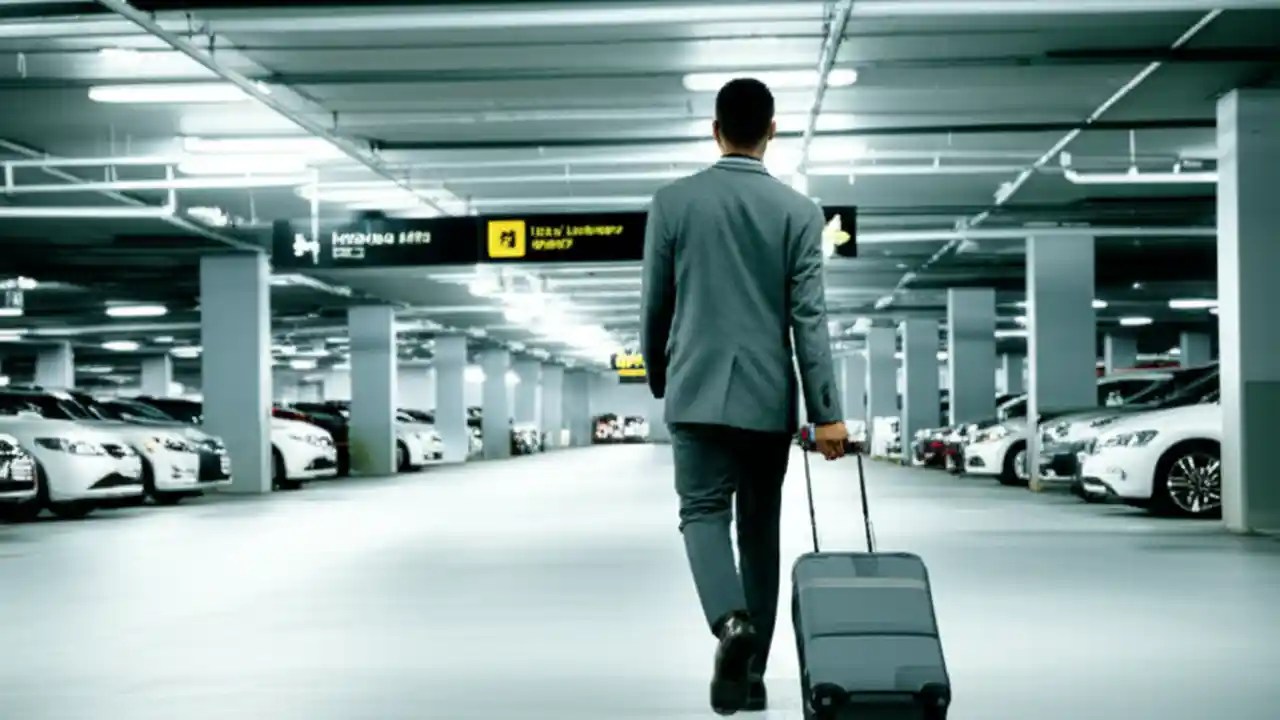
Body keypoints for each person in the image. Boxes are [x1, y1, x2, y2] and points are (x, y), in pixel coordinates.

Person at [640, 78, 849, 716]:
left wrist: (660, 373)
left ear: (715, 128)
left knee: (703, 513)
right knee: (760, 528)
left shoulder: (673, 203)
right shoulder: (799, 212)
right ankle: (752, 677)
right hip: (766, 399)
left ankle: (730, 625)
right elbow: (808, 321)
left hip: (696, 390)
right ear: (772, 131)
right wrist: (828, 415)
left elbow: (656, 302)